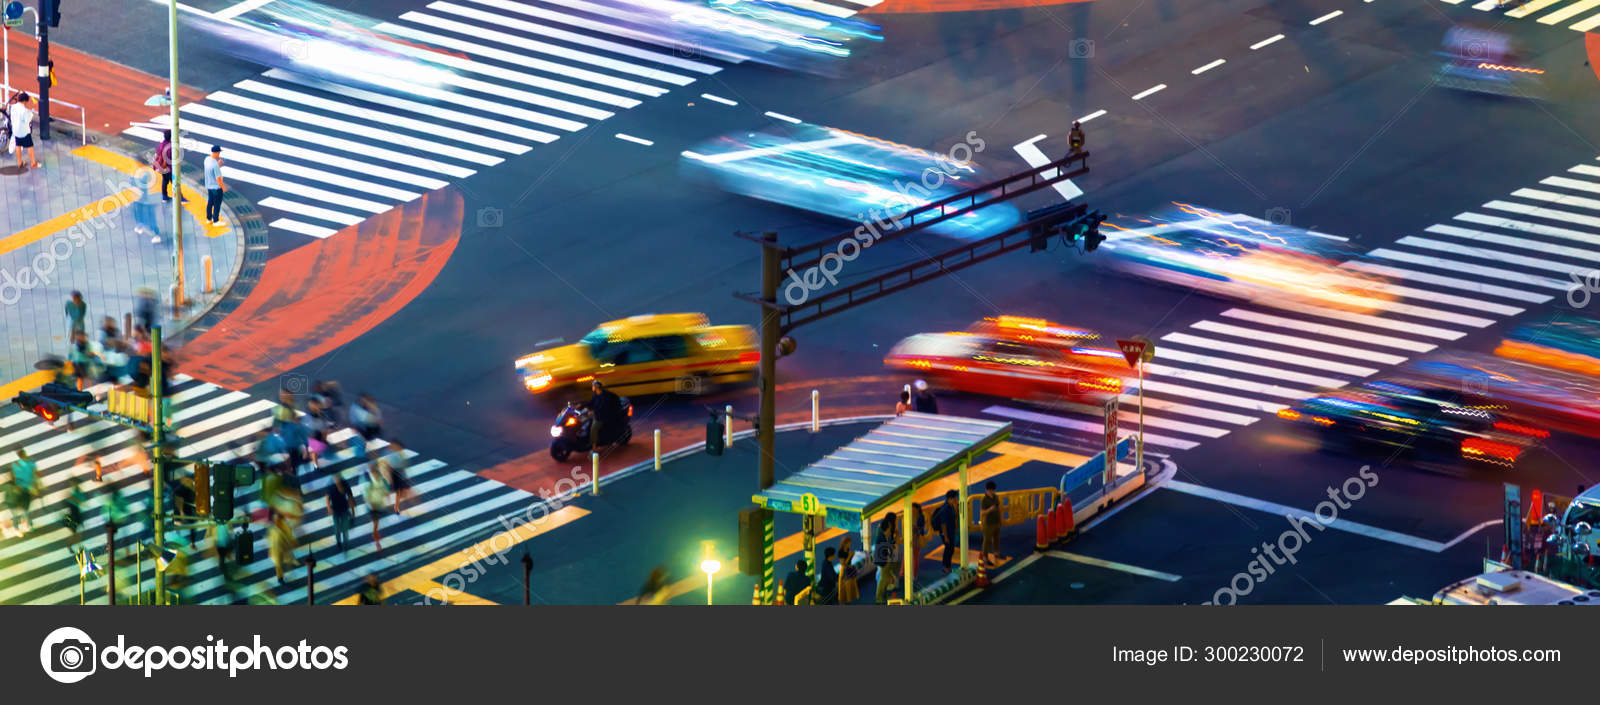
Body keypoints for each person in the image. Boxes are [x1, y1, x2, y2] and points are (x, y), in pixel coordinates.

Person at [6, 450, 42, 534]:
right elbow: (36, 475)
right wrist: (37, 487)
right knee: (25, 509)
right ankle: (27, 525)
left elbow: (13, 477)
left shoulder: (16, 464)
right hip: (26, 490)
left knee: (17, 510)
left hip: (20, 490)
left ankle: (18, 527)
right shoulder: (30, 463)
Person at [365, 458, 393, 551]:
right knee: (376, 522)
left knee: (376, 522)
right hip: (372, 506)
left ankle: (375, 534)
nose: (375, 475)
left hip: (379, 504)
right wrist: (370, 503)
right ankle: (376, 541)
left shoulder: (382, 481)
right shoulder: (369, 483)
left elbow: (386, 491)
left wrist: (387, 498)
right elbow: (366, 496)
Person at [874, 513, 902, 604]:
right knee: (882, 579)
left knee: (884, 579)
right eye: (895, 520)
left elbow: (891, 544)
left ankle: (883, 595)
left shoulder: (885, 533)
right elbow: (885, 548)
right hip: (883, 560)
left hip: (886, 559)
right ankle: (879, 598)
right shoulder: (882, 535)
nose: (896, 522)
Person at [931, 489, 961, 574]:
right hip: (946, 533)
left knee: (951, 549)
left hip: (950, 532)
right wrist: (946, 536)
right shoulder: (945, 509)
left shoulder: (951, 506)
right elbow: (943, 525)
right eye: (955, 498)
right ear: (950, 499)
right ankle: (945, 566)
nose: (956, 500)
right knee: (948, 549)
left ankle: (948, 566)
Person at [587, 380, 623, 448]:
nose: (592, 387)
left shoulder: (605, 396)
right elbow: (591, 402)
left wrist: (594, 411)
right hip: (599, 414)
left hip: (604, 415)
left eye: (593, 386)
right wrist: (581, 406)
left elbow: (603, 407)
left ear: (597, 387)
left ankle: (593, 447)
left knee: (593, 428)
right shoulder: (596, 394)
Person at [9, 92, 40, 169]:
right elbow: (27, 120)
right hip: (24, 131)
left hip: (15, 130)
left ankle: (20, 162)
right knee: (30, 146)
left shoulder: (13, 107)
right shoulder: (24, 110)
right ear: (25, 101)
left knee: (18, 145)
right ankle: (33, 163)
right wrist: (31, 112)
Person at [326, 472, 354, 554]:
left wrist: (353, 511)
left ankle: (345, 543)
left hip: (344, 509)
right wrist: (328, 508)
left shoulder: (344, 483)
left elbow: (350, 497)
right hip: (335, 510)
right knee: (337, 528)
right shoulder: (330, 485)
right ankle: (338, 542)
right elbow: (327, 497)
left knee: (345, 528)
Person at [980, 481, 1002, 568]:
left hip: (996, 522)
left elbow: (998, 507)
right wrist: (990, 509)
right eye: (992, 490)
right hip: (988, 523)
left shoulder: (995, 497)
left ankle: (996, 553)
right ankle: (985, 558)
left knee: (996, 538)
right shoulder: (984, 500)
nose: (993, 492)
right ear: (988, 490)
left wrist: (1000, 520)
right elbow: (982, 512)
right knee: (987, 541)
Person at [203, 144, 226, 225]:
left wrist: (218, 164)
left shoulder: (207, 159)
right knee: (217, 204)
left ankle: (208, 218)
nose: (219, 154)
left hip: (209, 186)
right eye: (219, 152)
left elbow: (211, 170)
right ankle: (216, 220)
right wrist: (223, 187)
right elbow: (218, 178)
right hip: (216, 187)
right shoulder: (215, 164)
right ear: (216, 153)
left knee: (210, 202)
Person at [836, 535, 860, 604]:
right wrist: (850, 556)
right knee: (847, 587)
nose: (850, 544)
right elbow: (843, 564)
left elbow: (849, 561)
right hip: (845, 570)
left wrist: (852, 555)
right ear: (845, 543)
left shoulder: (848, 550)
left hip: (850, 568)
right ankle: (846, 600)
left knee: (852, 585)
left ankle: (851, 599)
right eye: (849, 543)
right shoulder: (840, 552)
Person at [153, 130, 176, 201]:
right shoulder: (169, 146)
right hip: (168, 168)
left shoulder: (162, 144)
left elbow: (157, 153)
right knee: (174, 181)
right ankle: (179, 197)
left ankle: (164, 196)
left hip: (162, 167)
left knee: (165, 181)